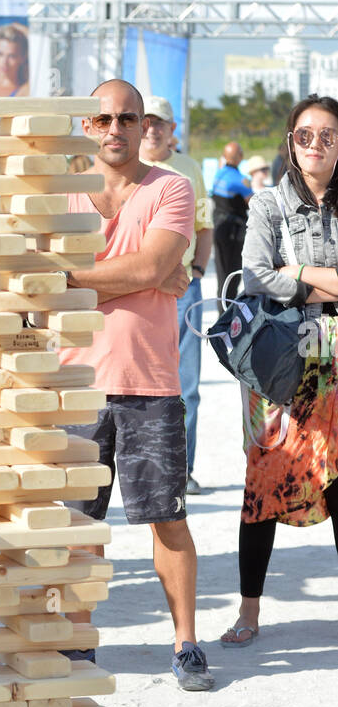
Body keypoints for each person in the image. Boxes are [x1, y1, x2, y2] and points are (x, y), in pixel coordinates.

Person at [62, 79, 214, 692]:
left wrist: (72, 277)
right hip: (74, 383)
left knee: (167, 520)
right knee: (79, 526)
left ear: (143, 124)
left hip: (149, 382)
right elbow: (36, 281)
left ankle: (186, 643)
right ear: (87, 126)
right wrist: (144, 276)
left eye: (128, 118)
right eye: (104, 119)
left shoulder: (171, 187)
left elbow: (154, 264)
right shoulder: (60, 194)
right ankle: (77, 643)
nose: (117, 129)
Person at [221, 94, 338, 647]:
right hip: (278, 361)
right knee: (264, 485)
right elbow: (255, 276)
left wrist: (298, 270)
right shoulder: (269, 203)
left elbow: (279, 275)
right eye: (305, 134)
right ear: (291, 141)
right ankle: (249, 611)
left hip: (335, 359)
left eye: (328, 135)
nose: (316, 144)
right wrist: (319, 281)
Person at [140, 96, 213, 493]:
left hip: (183, 290)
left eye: (160, 123)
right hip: (135, 291)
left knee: (186, 386)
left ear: (172, 130)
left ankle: (181, 470)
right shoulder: (126, 166)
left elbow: (205, 226)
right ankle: (140, 469)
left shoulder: (190, 169)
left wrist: (197, 271)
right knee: (132, 384)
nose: (152, 129)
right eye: (146, 121)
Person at [211, 141, 252, 302]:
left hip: (218, 226)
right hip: (235, 232)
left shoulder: (218, 175)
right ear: (240, 157)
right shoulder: (241, 180)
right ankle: (229, 309)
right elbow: (253, 203)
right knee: (233, 275)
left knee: (221, 273)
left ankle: (221, 309)